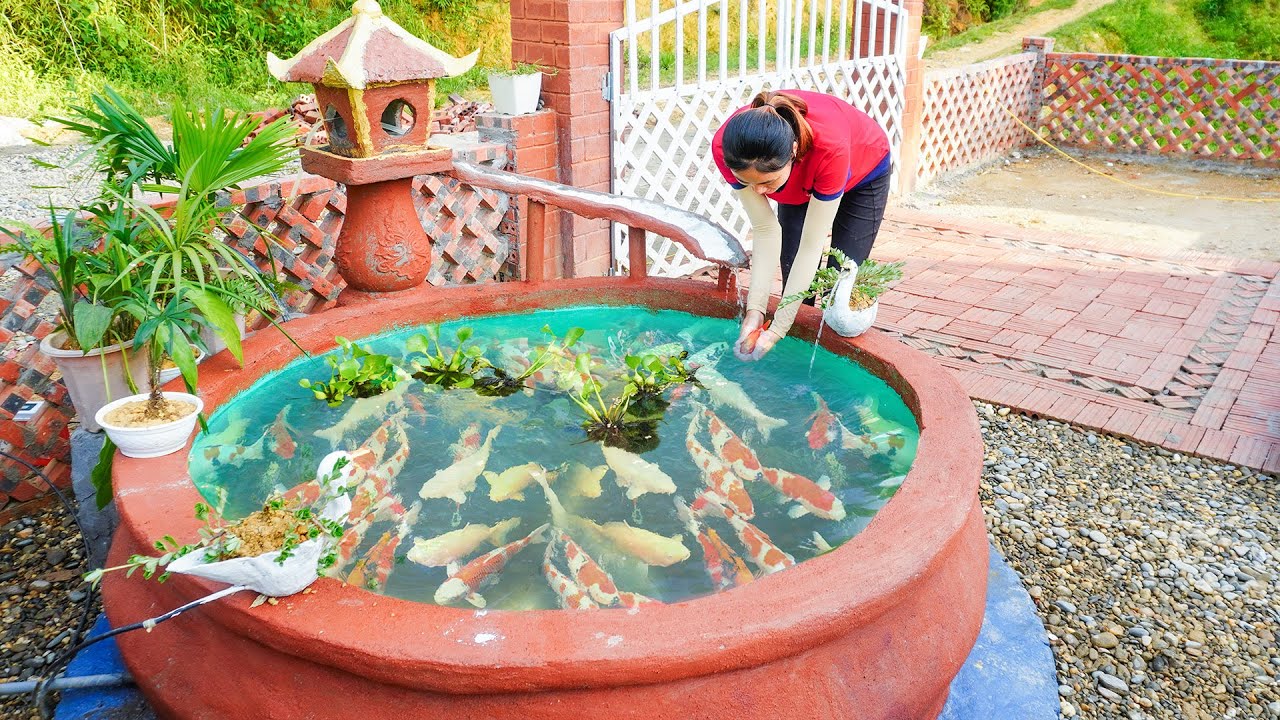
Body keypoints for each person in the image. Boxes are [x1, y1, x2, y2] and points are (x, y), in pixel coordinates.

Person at [711, 89, 892, 361]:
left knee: (838, 290)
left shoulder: (831, 149)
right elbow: (765, 229)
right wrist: (755, 311)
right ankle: (793, 360)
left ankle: (828, 364)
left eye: (767, 183)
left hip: (864, 170)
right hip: (798, 177)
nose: (759, 192)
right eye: (749, 183)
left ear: (793, 151)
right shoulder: (728, 149)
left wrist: (779, 328)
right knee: (793, 280)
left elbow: (812, 245)